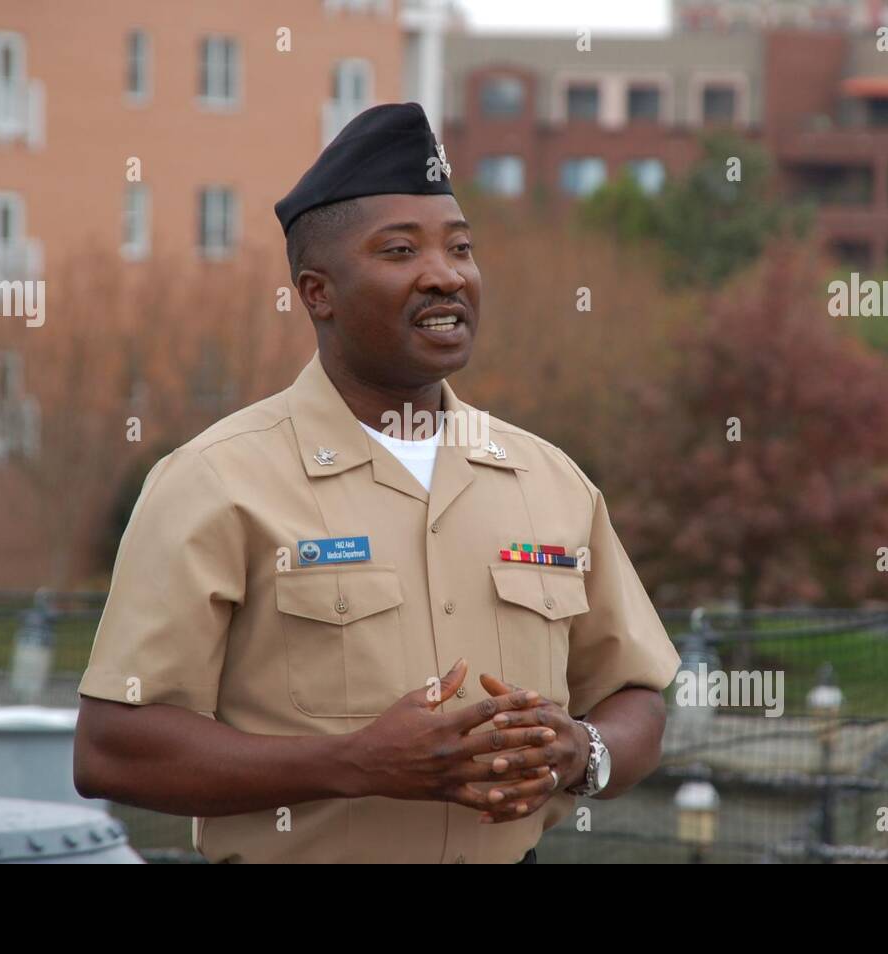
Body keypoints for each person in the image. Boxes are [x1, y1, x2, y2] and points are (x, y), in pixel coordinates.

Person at [73, 102, 681, 863]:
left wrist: (581, 751)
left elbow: (638, 697)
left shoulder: (550, 480)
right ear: (317, 292)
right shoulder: (215, 483)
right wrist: (355, 764)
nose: (445, 275)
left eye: (460, 248)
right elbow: (113, 750)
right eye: (399, 251)